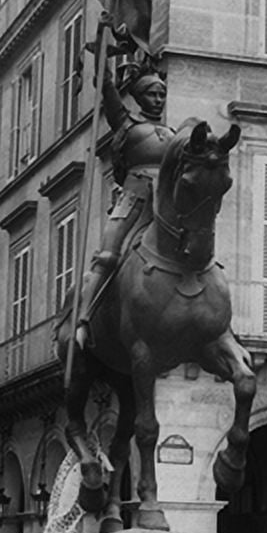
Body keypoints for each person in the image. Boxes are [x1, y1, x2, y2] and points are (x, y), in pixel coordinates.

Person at [74, 62, 173, 350]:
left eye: (161, 94)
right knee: (107, 255)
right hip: (133, 198)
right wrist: (103, 67)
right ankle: (83, 320)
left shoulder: (172, 132)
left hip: (165, 199)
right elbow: (108, 92)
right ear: (140, 97)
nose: (158, 100)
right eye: (152, 94)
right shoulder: (127, 124)